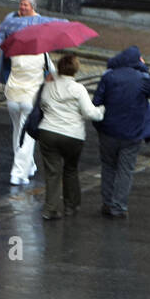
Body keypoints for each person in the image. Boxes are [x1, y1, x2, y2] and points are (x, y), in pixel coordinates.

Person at [93, 45, 150, 218]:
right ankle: (119, 206)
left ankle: (107, 203)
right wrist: (144, 69)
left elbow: (97, 101)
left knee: (108, 166)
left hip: (108, 131)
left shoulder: (108, 76)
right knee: (125, 170)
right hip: (132, 133)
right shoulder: (141, 78)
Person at [37, 54, 106, 220]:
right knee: (70, 169)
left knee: (52, 172)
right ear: (75, 70)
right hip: (72, 135)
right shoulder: (78, 89)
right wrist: (102, 110)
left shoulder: (48, 85)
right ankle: (71, 205)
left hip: (48, 132)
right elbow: (90, 113)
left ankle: (50, 208)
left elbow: (42, 104)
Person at [1, 0, 54, 186]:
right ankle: (18, 173)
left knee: (17, 133)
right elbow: (54, 74)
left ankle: (29, 165)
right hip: (29, 99)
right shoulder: (42, 53)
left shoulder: (14, 51)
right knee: (28, 137)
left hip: (12, 97)